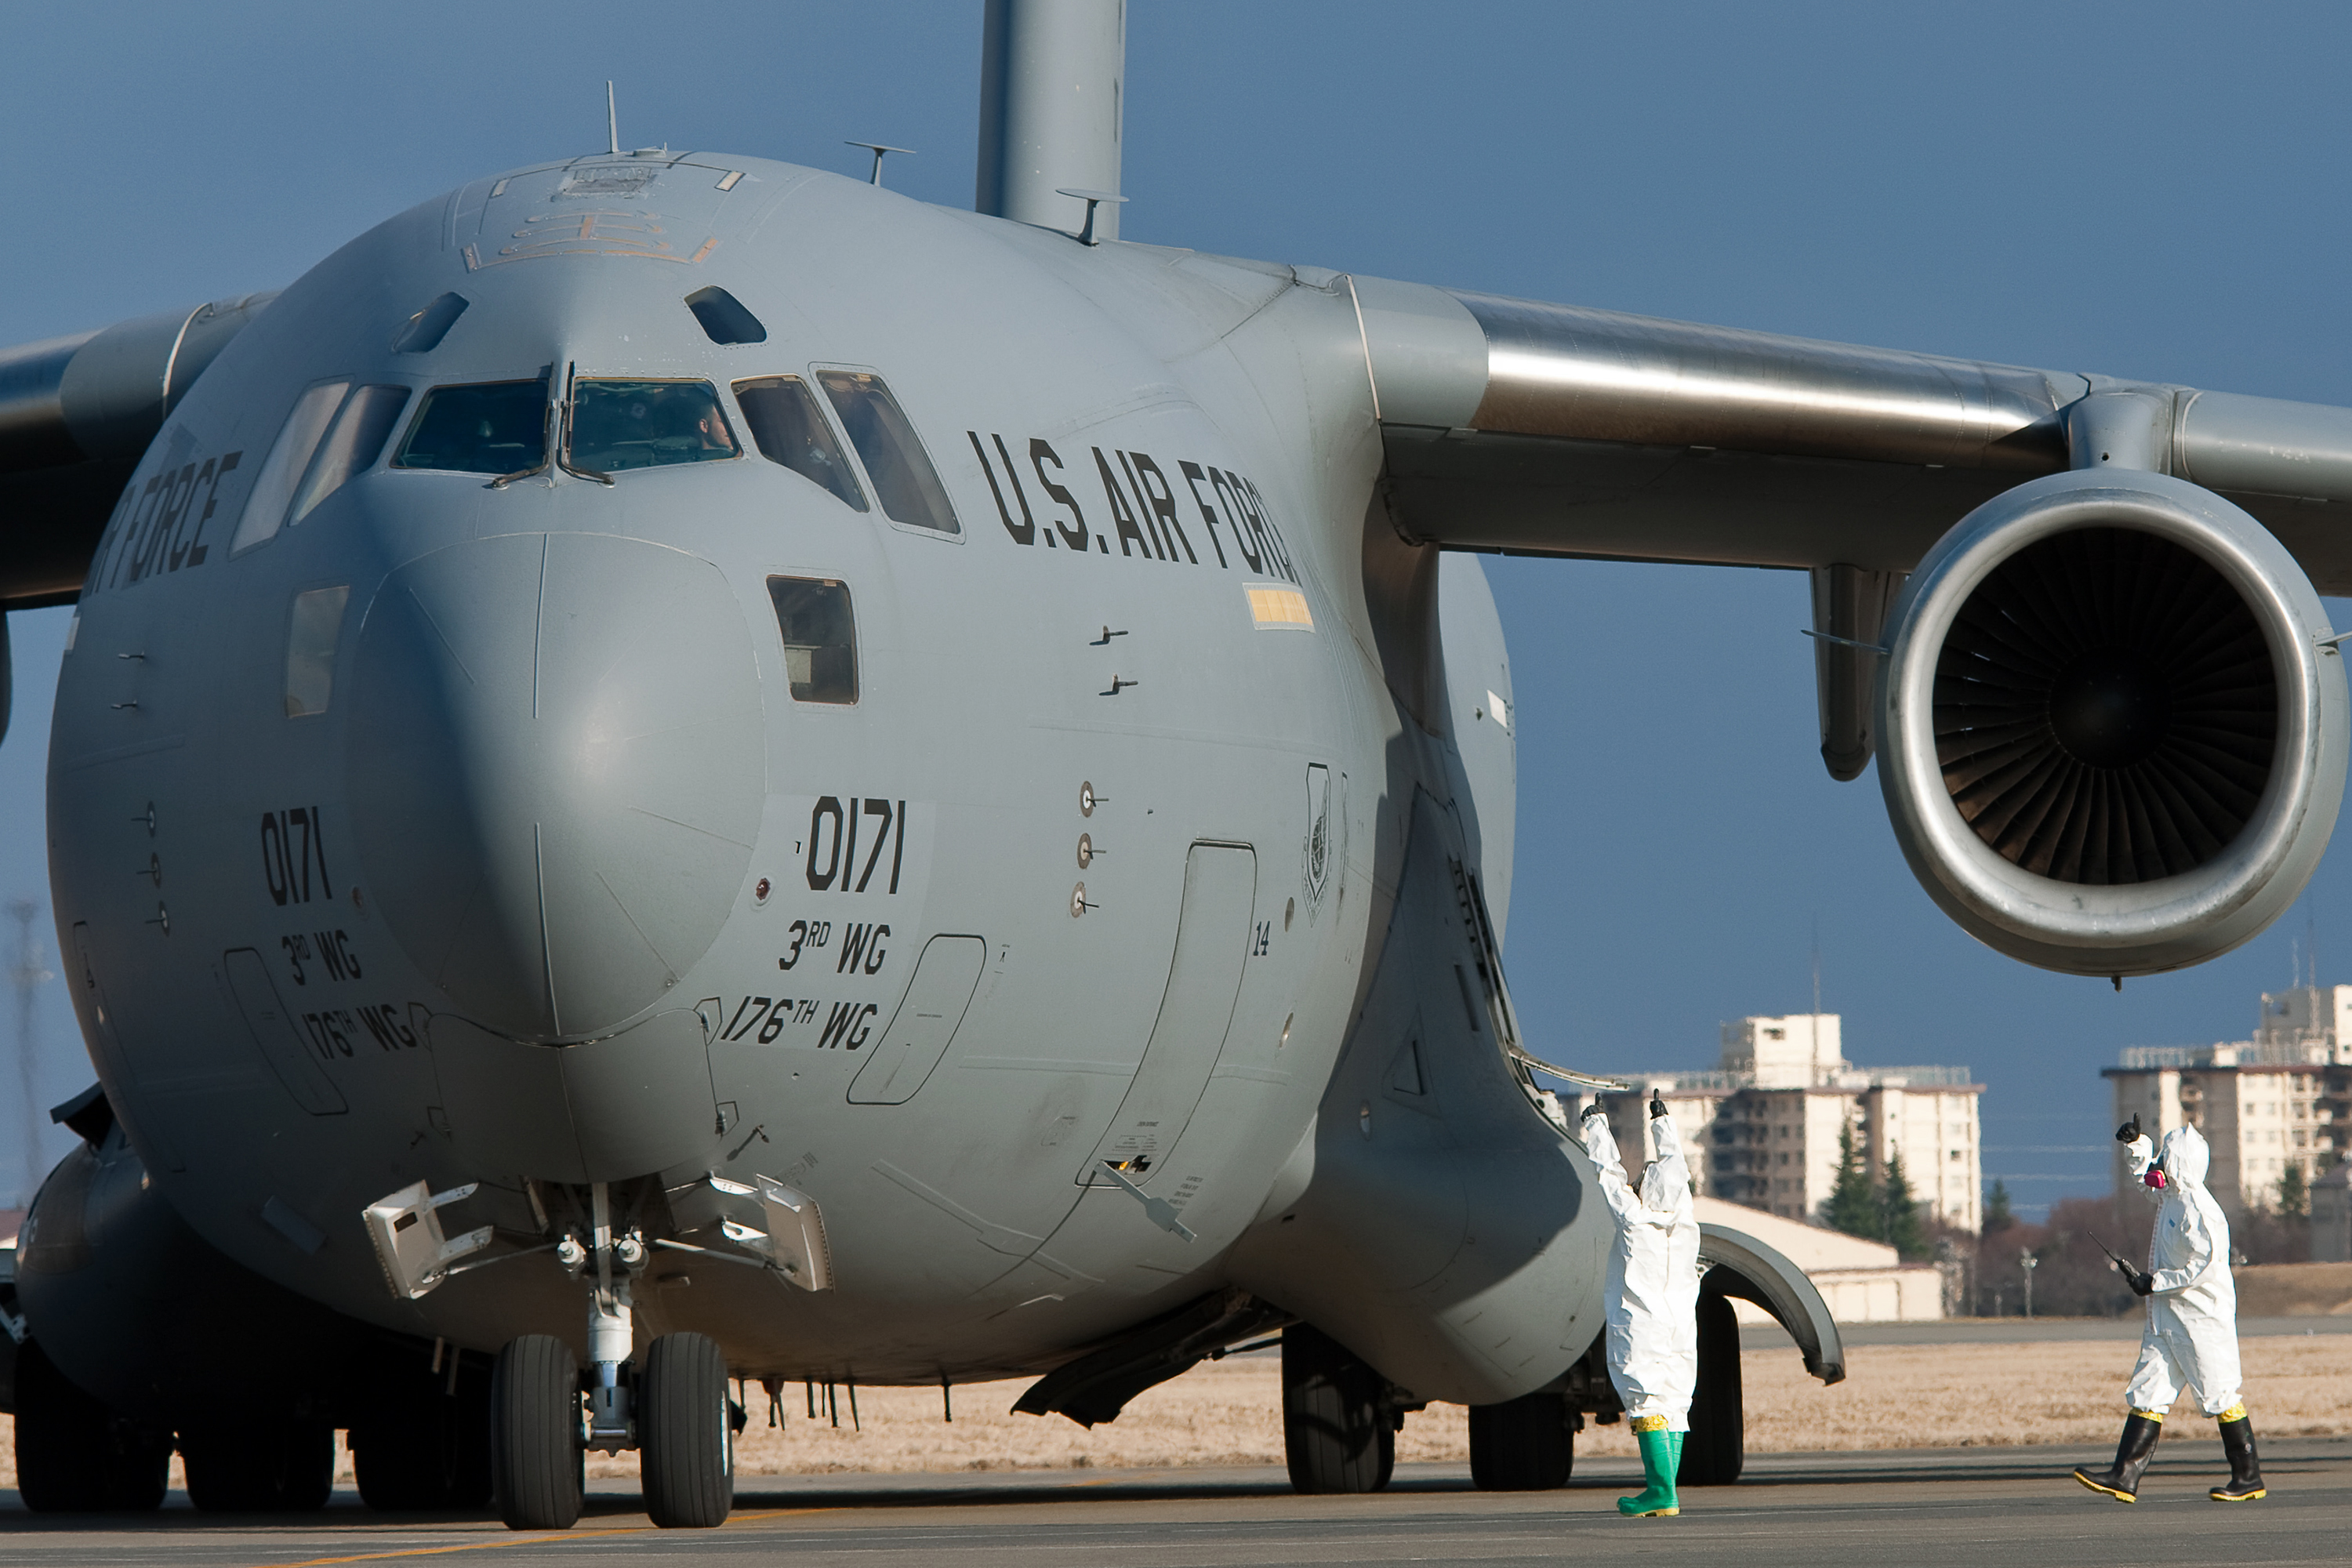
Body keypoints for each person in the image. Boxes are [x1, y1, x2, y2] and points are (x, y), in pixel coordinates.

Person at [2073, 1116, 2265, 1504]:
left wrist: (2153, 1283)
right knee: (2148, 1390)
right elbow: (2146, 1181)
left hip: (2201, 1320)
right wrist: (2136, 1145)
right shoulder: (2172, 1197)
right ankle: (2124, 1475)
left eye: (2164, 1158)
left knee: (2220, 1394)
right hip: (2166, 1317)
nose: (2157, 1166)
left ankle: (2248, 1477)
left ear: (2179, 1165)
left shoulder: (2201, 1212)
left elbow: (2204, 1268)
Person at [1581, 1093, 1702, 1518]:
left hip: (1644, 1324)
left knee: (1647, 1399)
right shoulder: (1685, 1221)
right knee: (1675, 1402)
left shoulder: (1635, 1222)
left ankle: (1660, 1491)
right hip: (1681, 1324)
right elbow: (1676, 1168)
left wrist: (1596, 1124)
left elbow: (1608, 1176)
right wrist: (1662, 1122)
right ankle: (1665, 1490)